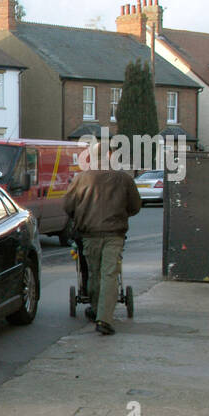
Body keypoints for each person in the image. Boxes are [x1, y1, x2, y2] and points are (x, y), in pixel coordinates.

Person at [62, 141, 141, 335]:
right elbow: (135, 207)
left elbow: (67, 206)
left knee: (94, 273)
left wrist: (81, 215)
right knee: (110, 274)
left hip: (89, 234)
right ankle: (104, 318)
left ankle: (97, 310)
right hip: (115, 233)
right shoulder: (124, 179)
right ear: (111, 155)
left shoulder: (81, 178)